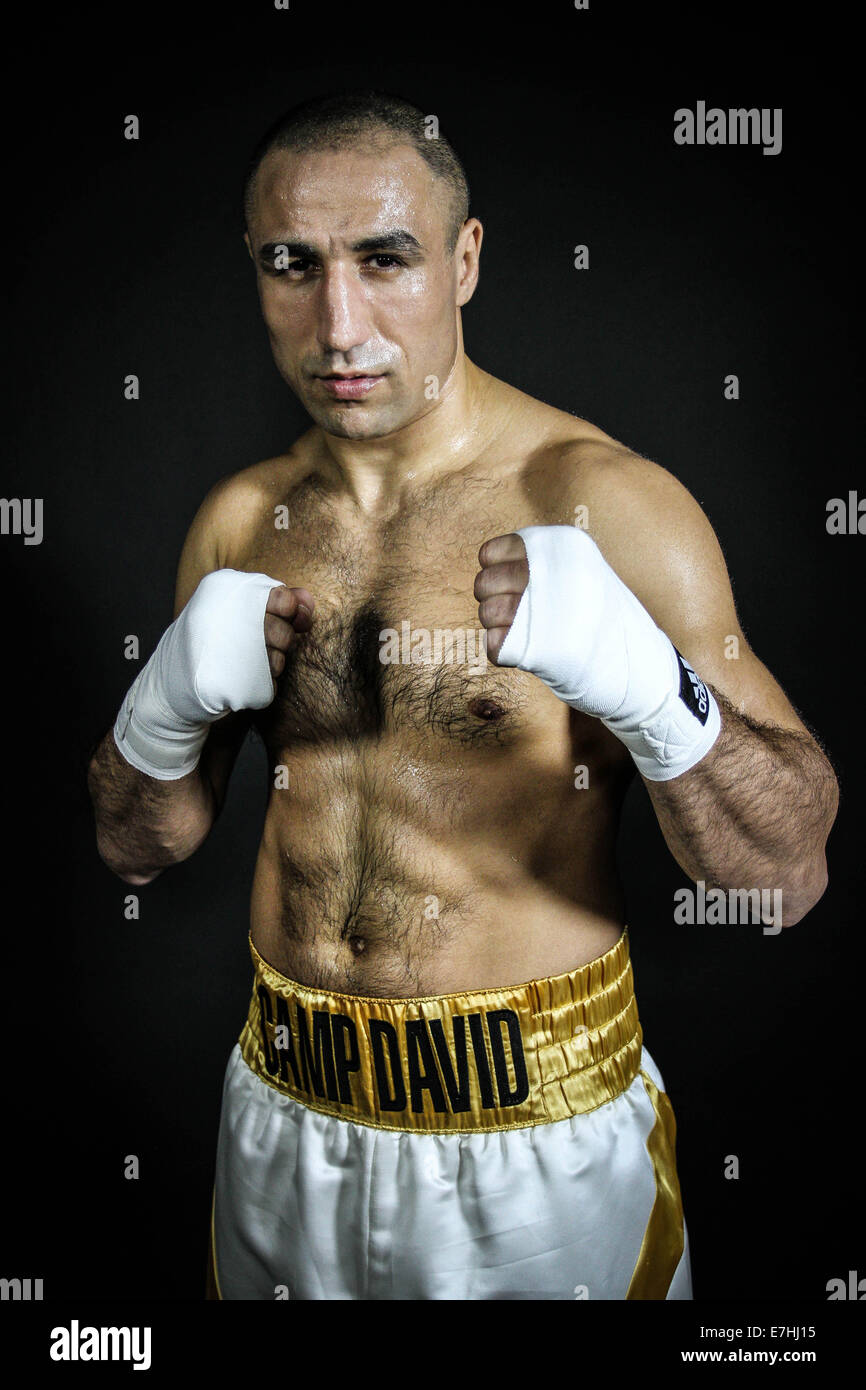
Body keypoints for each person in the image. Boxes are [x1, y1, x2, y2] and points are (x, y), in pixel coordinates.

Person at [87, 90, 839, 1301]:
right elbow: (135, 848)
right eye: (294, 266)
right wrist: (156, 712)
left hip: (529, 1140)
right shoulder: (242, 522)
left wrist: (655, 695)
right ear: (255, 270)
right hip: (283, 1112)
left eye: (384, 261)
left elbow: (782, 881)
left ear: (464, 260)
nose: (340, 324)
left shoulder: (603, 501)